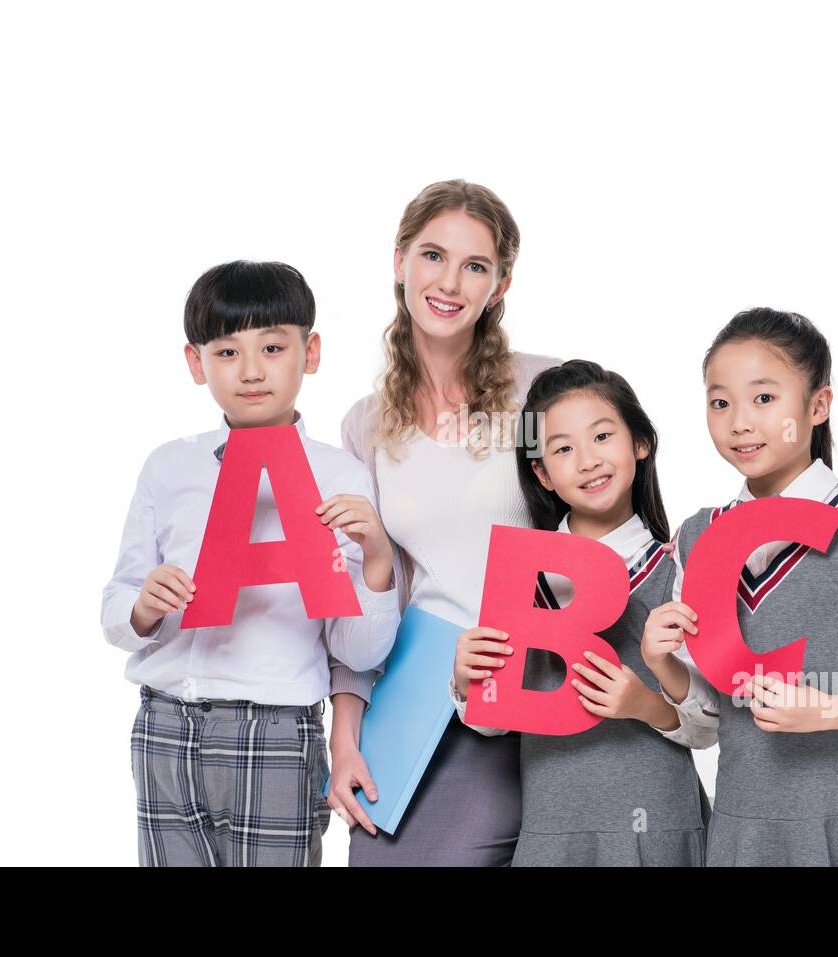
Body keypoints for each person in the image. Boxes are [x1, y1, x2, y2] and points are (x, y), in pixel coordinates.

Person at [101, 260, 400, 866]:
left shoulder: (341, 476)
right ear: (196, 363)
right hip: (165, 727)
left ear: (309, 352)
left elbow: (361, 651)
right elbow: (115, 609)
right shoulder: (169, 467)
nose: (252, 370)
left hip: (276, 734)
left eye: (272, 347)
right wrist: (142, 605)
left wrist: (375, 556)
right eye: (227, 352)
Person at [644, 306, 838, 866]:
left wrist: (833, 709)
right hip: (747, 832)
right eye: (720, 402)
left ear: (817, 406)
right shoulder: (696, 537)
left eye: (764, 398)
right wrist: (665, 666)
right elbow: (709, 722)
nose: (739, 421)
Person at [330, 179, 560, 865]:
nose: (449, 282)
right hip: (424, 701)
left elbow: (607, 535)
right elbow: (367, 591)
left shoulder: (544, 390)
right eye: (432, 256)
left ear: (502, 284)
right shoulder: (366, 425)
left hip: (541, 696)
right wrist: (345, 738)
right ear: (399, 259)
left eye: (476, 266)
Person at [452, 360, 716, 866]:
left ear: (641, 443)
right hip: (557, 830)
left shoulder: (680, 566)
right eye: (563, 449)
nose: (588, 461)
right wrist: (467, 681)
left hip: (659, 828)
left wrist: (644, 704)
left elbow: (708, 727)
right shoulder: (523, 580)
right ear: (543, 474)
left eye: (602, 437)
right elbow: (494, 722)